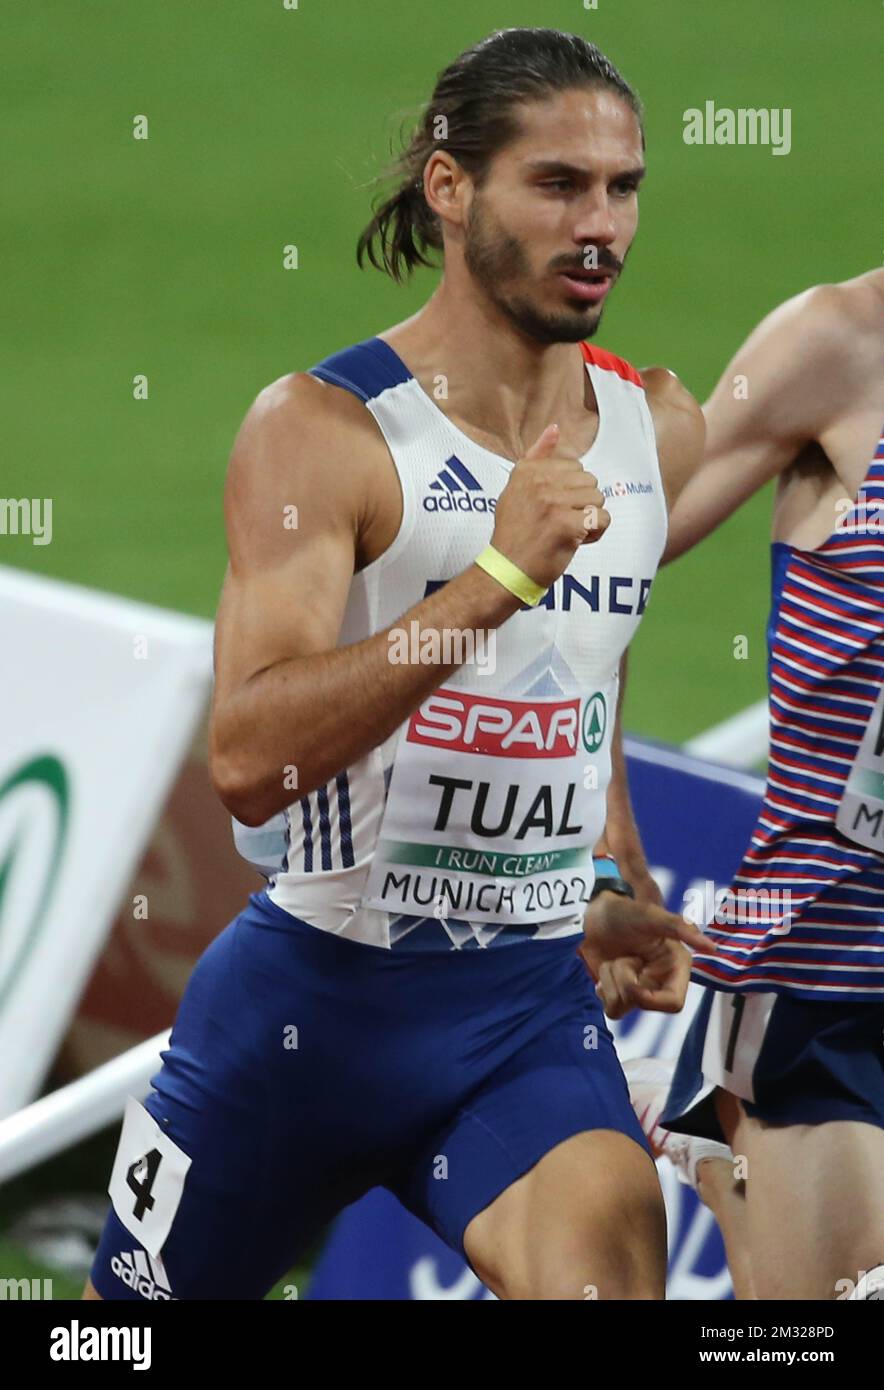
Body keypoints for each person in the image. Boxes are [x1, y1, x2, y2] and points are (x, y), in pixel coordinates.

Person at [85, 28, 709, 1302]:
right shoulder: (325, 433)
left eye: (621, 187)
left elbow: (591, 664)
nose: (599, 226)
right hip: (303, 1010)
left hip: (520, 1020)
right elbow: (250, 760)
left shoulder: (659, 425)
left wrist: (604, 874)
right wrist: (497, 577)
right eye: (555, 185)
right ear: (448, 188)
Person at [602, 270, 884, 1301]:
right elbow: (590, 562)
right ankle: (706, 1131)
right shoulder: (840, 345)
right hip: (832, 977)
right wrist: (601, 819)